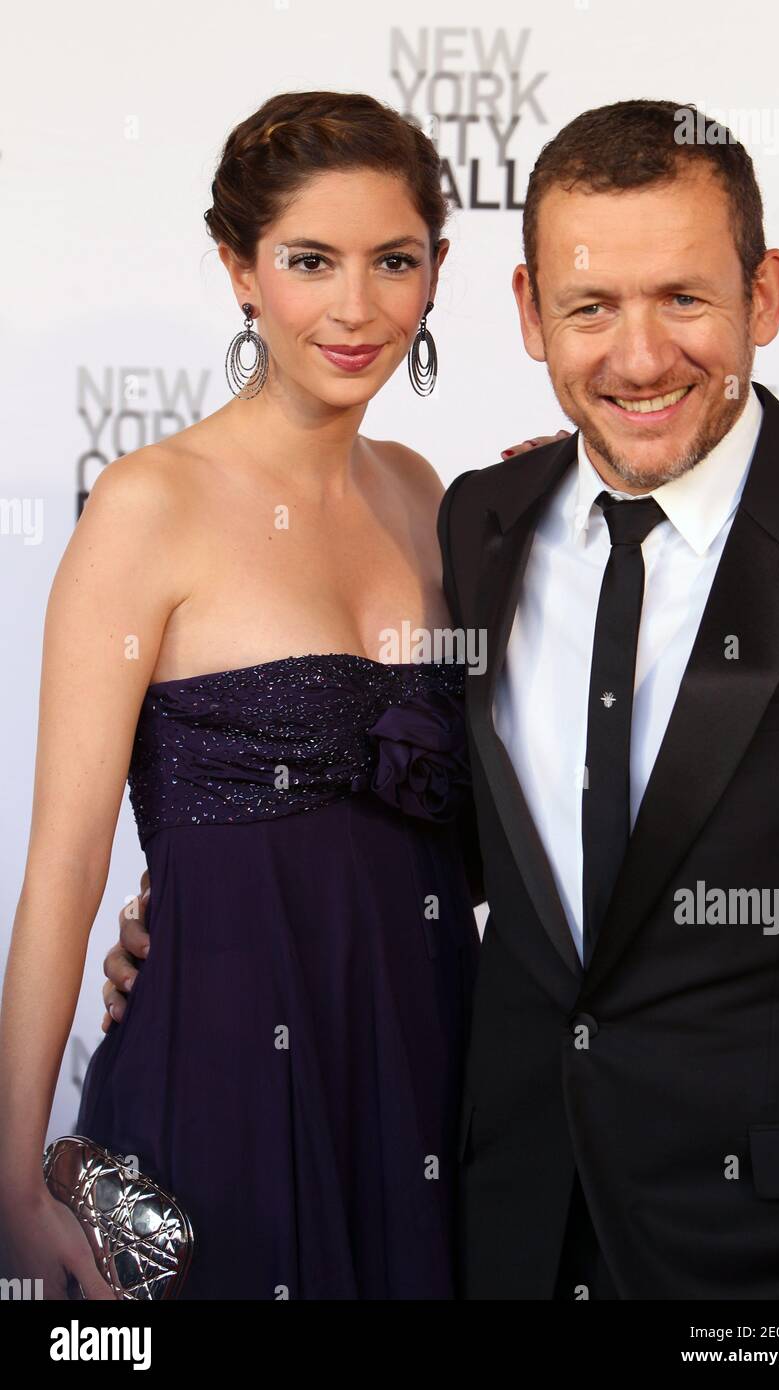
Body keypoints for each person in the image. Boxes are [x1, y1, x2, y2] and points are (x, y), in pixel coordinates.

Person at [0, 88, 562, 1301]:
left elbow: (460, 834)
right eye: (311, 260)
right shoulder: (148, 505)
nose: (355, 307)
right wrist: (10, 1183)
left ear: (435, 273)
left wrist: (568, 513)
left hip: (427, 1056)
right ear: (240, 271)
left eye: (392, 261)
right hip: (225, 1067)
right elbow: (61, 868)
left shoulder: (431, 499)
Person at [438, 98, 779, 1300]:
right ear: (530, 312)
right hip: (516, 1220)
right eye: (589, 306)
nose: (636, 358)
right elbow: (477, 846)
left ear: (763, 296)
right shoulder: (478, 520)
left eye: (682, 298)